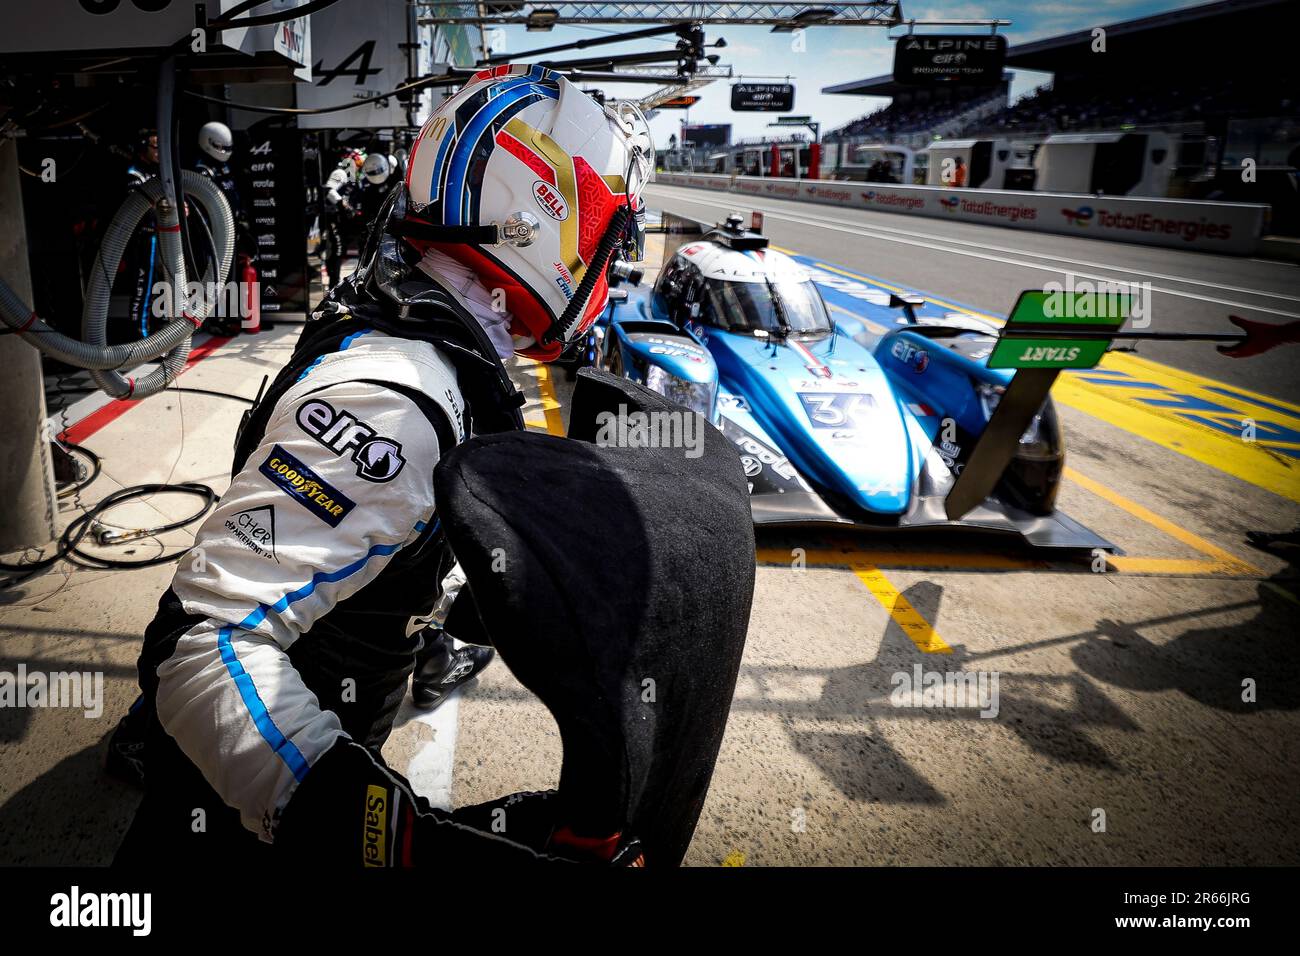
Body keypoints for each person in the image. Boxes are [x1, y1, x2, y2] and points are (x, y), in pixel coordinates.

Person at [113, 64, 653, 866]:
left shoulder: (432, 345)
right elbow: (199, 641)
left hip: (282, 775)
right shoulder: (400, 398)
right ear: (548, 220)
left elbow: (369, 535)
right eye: (608, 245)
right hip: (244, 823)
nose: (607, 274)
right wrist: (389, 842)